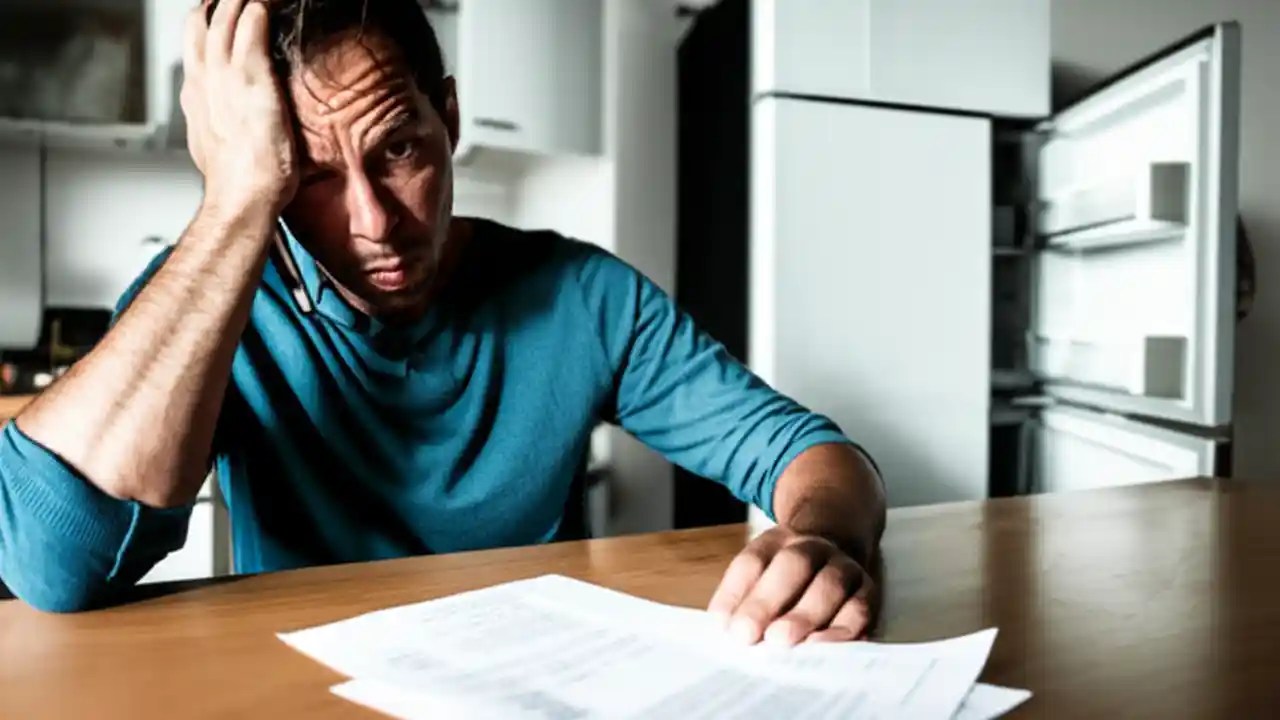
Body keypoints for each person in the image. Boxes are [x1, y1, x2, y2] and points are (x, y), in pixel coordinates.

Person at [0, 0, 885, 646]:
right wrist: (236, 199)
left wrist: (819, 533)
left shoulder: (582, 294)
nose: (375, 222)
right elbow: (48, 565)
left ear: (447, 119)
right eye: (307, 177)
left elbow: (815, 457)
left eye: (398, 150)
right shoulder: (216, 296)